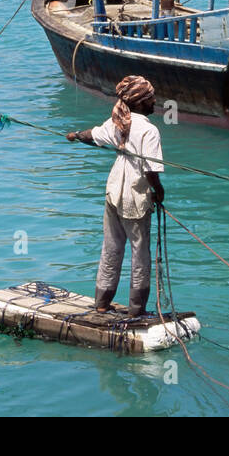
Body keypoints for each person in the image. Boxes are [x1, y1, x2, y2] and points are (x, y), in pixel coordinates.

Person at [66, 75, 165, 317]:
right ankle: (136, 310)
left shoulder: (118, 122)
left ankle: (101, 303)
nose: (155, 101)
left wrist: (75, 135)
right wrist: (158, 191)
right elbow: (150, 171)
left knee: (111, 248)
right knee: (140, 254)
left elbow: (92, 135)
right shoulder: (149, 131)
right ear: (139, 102)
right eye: (151, 98)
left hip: (113, 192)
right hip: (135, 196)